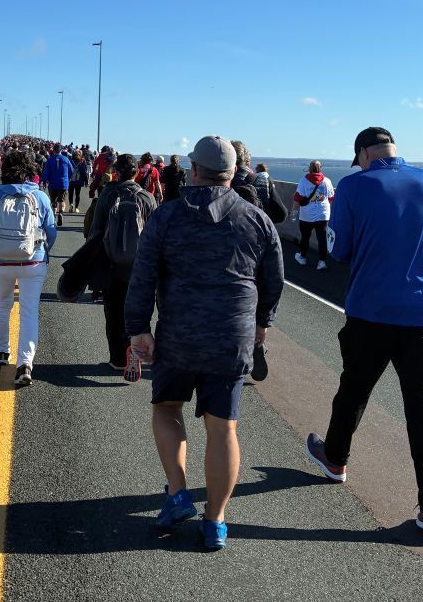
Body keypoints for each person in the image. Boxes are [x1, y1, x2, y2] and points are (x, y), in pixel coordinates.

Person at [125, 135, 284, 550]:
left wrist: (138, 328)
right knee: (223, 428)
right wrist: (263, 321)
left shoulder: (167, 216)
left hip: (178, 336)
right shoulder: (256, 219)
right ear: (232, 174)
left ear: (193, 170)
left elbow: (143, 275)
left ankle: (178, 494)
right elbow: (274, 280)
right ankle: (215, 522)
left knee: (166, 408)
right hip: (231, 340)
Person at [306, 127, 423, 537]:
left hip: (370, 311)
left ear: (364, 154)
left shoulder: (354, 187)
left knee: (353, 389)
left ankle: (335, 461)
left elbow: (339, 249)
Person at [0, 150, 57, 386]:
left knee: (2, 303)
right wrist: (43, 249)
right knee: (29, 312)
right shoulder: (39, 196)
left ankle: (2, 351)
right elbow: (52, 231)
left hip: (1, 260)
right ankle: (25, 364)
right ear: (30, 171)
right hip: (33, 260)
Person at [87, 153, 156, 371]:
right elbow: (154, 236)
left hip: (111, 263)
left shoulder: (108, 194)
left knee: (113, 312)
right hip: (139, 267)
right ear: (136, 173)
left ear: (116, 171)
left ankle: (117, 359)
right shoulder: (147, 198)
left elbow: (94, 230)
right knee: (137, 312)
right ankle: (133, 349)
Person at [293, 160, 335, 269]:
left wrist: (293, 213)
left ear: (310, 168)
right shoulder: (327, 181)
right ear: (320, 168)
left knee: (305, 237)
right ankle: (322, 262)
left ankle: (302, 258)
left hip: (307, 214)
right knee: (322, 238)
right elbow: (331, 198)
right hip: (323, 214)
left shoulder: (304, 181)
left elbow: (297, 198)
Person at [42, 143, 75, 225]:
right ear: (61, 150)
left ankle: (53, 215)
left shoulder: (50, 160)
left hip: (52, 183)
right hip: (63, 183)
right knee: (62, 200)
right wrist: (68, 178)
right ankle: (61, 212)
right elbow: (71, 170)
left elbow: (46, 172)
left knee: (53, 201)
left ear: (53, 150)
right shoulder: (66, 159)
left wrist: (44, 181)